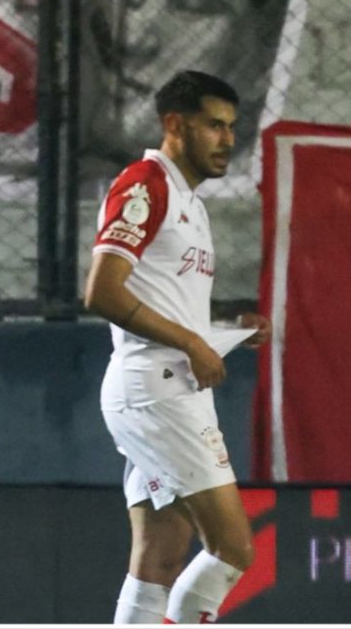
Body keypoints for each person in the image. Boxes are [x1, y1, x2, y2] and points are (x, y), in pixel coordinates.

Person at [84, 70, 271, 624]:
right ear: (175, 124)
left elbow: (164, 302)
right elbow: (101, 291)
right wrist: (192, 340)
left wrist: (226, 327)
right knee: (233, 548)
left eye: (232, 127)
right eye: (214, 125)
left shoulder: (189, 200)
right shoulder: (146, 183)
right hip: (156, 391)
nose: (227, 139)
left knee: (158, 557)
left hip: (168, 388)